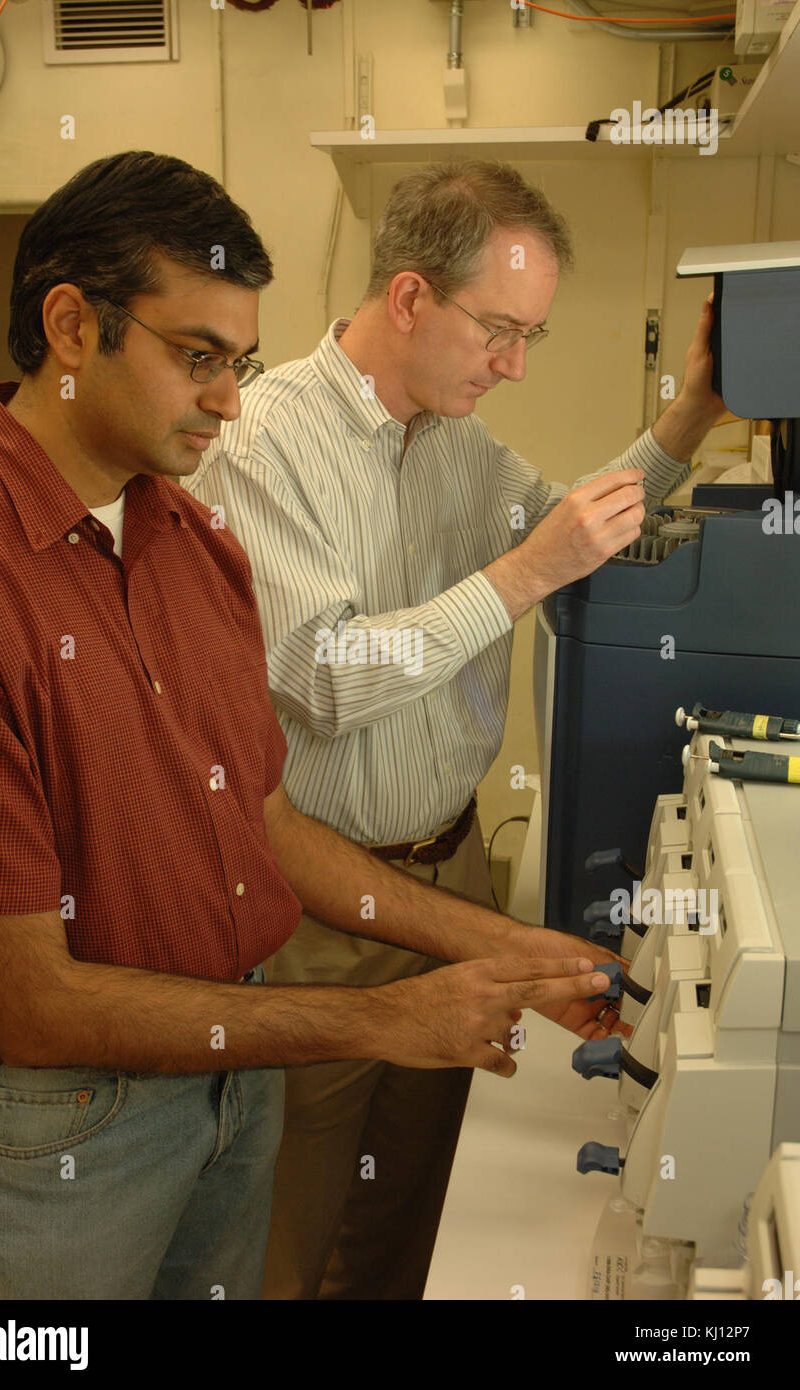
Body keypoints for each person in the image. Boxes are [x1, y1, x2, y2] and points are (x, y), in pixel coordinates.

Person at [0, 151, 623, 1303]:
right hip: (59, 1128)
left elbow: (268, 825)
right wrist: (376, 1015)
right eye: (196, 358)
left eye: (238, 362)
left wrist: (494, 949)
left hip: (231, 1081)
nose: (228, 398)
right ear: (70, 328)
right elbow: (34, 1001)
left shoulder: (189, 541)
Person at [182, 161, 726, 1300]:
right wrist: (523, 571)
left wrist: (687, 417)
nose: (514, 364)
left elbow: (580, 533)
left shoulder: (458, 445)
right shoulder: (267, 439)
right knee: (300, 1214)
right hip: (319, 904)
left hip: (450, 871)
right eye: (498, 331)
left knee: (407, 1201)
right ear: (412, 297)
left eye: (530, 335)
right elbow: (324, 677)